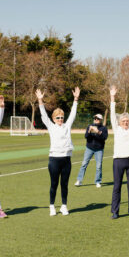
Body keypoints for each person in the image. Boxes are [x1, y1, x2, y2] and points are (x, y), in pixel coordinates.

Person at [37, 87, 79, 215]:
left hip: (66, 159)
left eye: (62, 117)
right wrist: (40, 100)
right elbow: (43, 115)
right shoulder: (51, 126)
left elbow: (73, 114)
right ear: (54, 119)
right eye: (58, 118)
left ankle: (64, 206)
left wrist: (76, 99)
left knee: (64, 184)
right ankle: (52, 206)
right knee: (54, 184)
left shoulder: (67, 126)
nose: (61, 120)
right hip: (54, 159)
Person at [110, 85, 129, 219]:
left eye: (127, 121)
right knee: (117, 187)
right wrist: (112, 97)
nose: (126, 122)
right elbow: (112, 114)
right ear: (119, 122)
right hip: (118, 161)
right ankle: (115, 211)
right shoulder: (117, 130)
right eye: (123, 121)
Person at [75, 112, 108, 188]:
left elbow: (104, 138)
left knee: (98, 166)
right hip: (89, 148)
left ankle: (98, 181)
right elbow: (86, 136)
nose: (96, 120)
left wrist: (98, 132)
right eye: (95, 118)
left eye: (98, 119)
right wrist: (89, 131)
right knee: (84, 164)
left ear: (101, 120)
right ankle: (79, 180)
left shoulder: (103, 128)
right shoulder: (90, 126)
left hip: (99, 149)